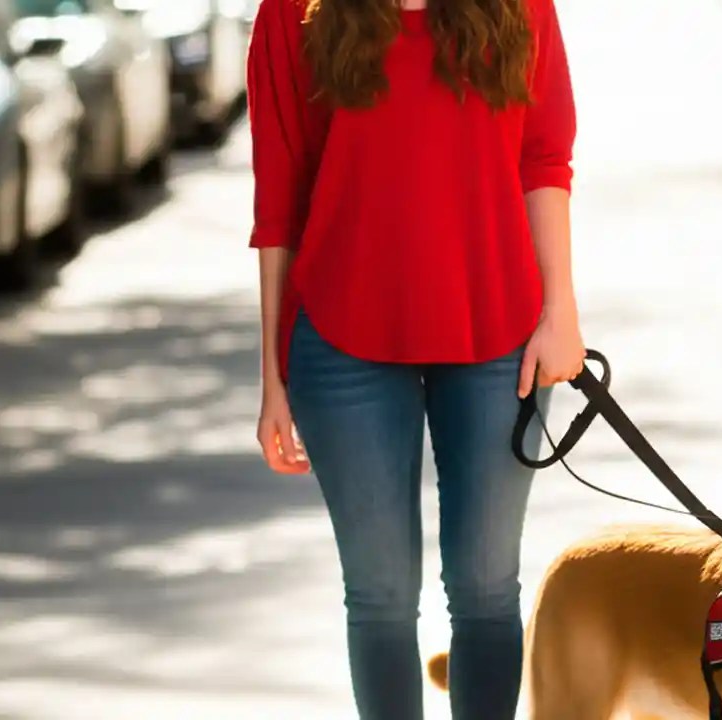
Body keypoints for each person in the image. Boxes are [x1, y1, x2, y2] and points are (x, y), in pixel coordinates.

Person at [245, 0, 583, 717]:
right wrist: (272, 375)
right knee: (379, 596)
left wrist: (562, 311)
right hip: (342, 335)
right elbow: (279, 202)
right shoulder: (290, 14)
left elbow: (544, 158)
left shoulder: (520, 7)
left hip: (498, 328)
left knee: (488, 587)